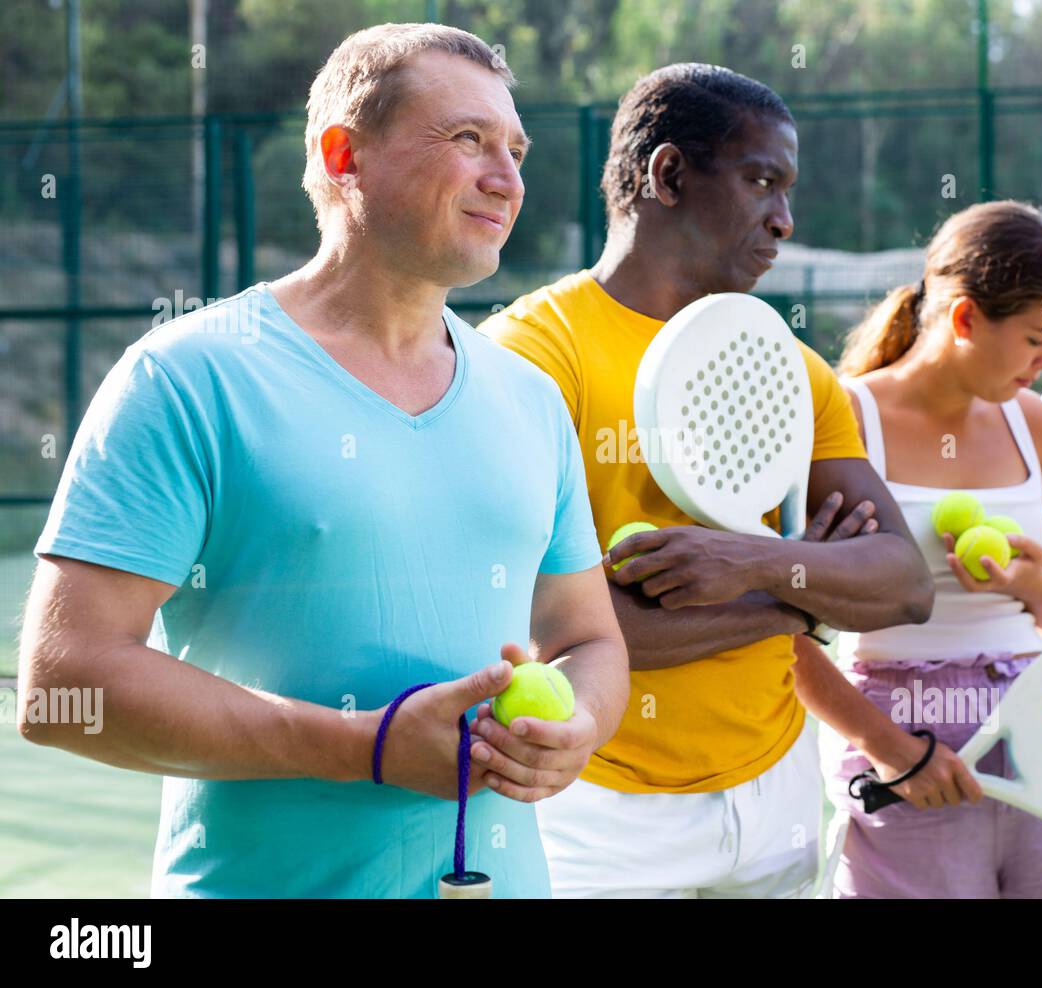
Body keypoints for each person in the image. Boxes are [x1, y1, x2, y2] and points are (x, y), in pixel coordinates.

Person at [17, 23, 628, 898]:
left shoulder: (530, 398)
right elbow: (62, 682)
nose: (508, 179)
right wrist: (361, 747)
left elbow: (588, 639)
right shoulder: (185, 377)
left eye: (516, 150)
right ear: (344, 156)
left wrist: (581, 725)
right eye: (468, 139)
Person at [481, 63, 933, 898]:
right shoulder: (531, 355)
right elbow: (550, 629)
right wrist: (801, 598)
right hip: (597, 810)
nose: (785, 219)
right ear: (668, 175)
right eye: (762, 181)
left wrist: (752, 562)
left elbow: (904, 585)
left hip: (778, 790)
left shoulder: (793, 368)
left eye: (788, 190)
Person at [809, 199, 1042, 898]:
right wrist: (893, 751)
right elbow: (781, 637)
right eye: (1035, 339)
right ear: (964, 320)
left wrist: (1026, 582)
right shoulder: (846, 417)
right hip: (902, 751)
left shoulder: (1034, 421)